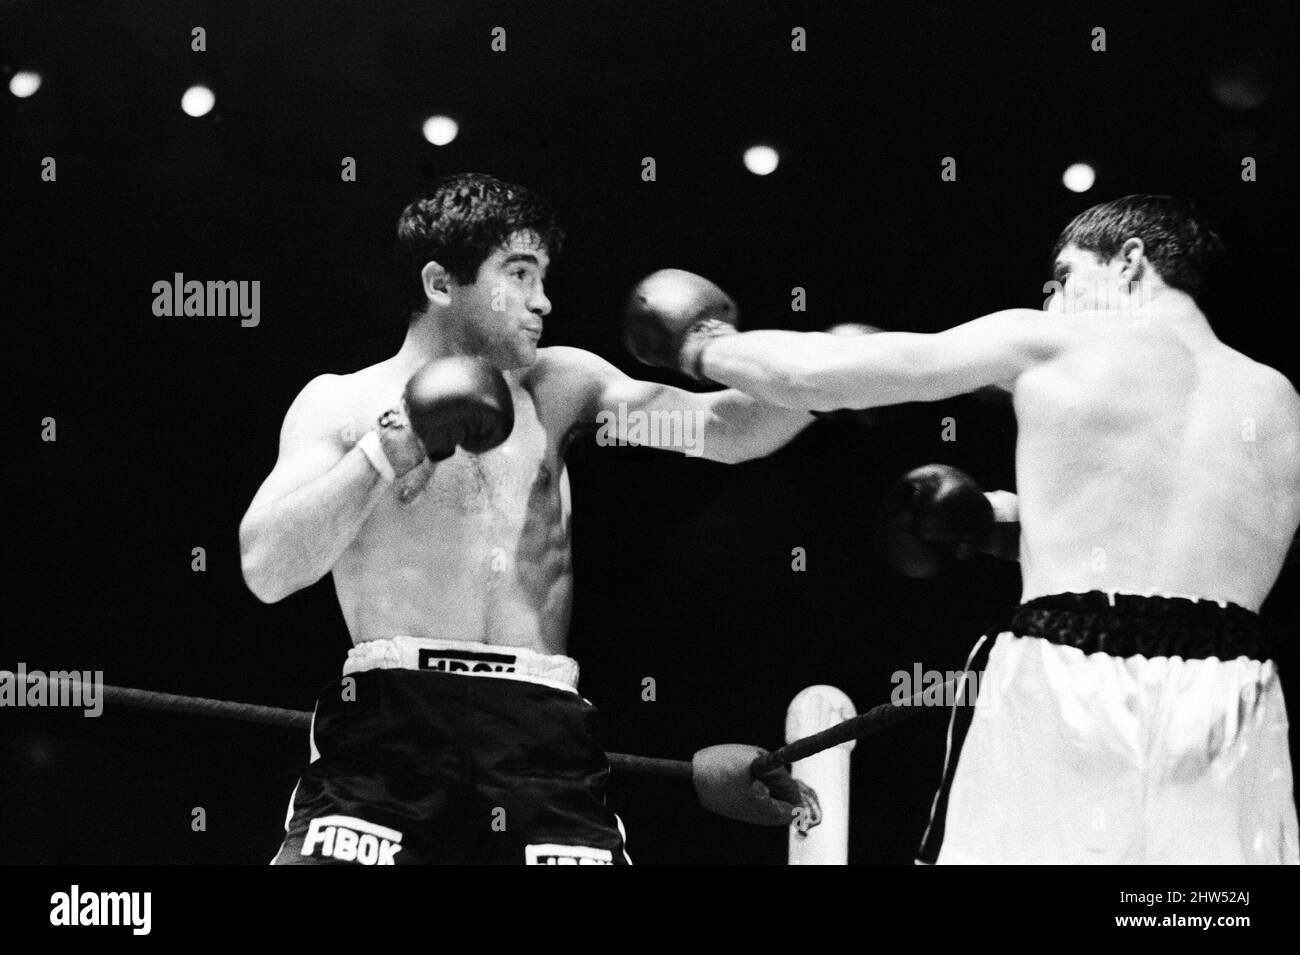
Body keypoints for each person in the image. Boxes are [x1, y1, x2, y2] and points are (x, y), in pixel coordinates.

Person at [631, 194, 1300, 863]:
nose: (1053, 302)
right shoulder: (1276, 397)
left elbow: (823, 377)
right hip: (1234, 688)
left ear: (1129, 260)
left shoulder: (1053, 340)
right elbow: (1171, 534)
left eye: (1064, 278)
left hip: (1068, 669)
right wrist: (1004, 524)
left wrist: (702, 345)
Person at [239, 172, 815, 865]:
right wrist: (384, 451)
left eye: (544, 275)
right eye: (519, 273)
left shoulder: (563, 386)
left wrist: (828, 378)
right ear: (440, 283)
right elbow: (268, 568)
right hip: (388, 729)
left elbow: (729, 429)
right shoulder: (342, 402)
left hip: (540, 736)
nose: (544, 300)